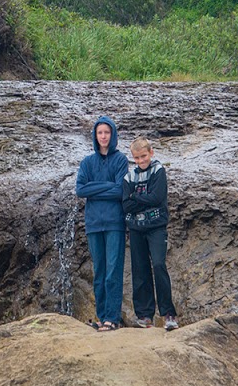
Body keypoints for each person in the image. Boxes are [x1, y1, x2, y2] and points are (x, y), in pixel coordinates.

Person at [75, 116, 127, 332]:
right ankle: (101, 315)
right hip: (94, 224)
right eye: (100, 133)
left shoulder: (121, 160)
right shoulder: (87, 162)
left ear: (112, 135)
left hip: (115, 223)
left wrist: (95, 188)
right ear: (95, 136)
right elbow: (80, 190)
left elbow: (121, 190)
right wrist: (107, 186)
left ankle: (112, 318)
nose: (103, 136)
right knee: (99, 271)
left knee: (113, 271)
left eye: (107, 132)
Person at [122, 137, 177, 330]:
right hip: (136, 229)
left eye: (143, 156)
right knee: (140, 269)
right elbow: (125, 204)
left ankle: (168, 314)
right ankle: (145, 315)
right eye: (136, 158)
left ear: (151, 153)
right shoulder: (129, 177)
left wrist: (135, 197)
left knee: (159, 264)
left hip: (156, 227)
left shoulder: (158, 171)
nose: (140, 161)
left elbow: (157, 197)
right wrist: (142, 200)